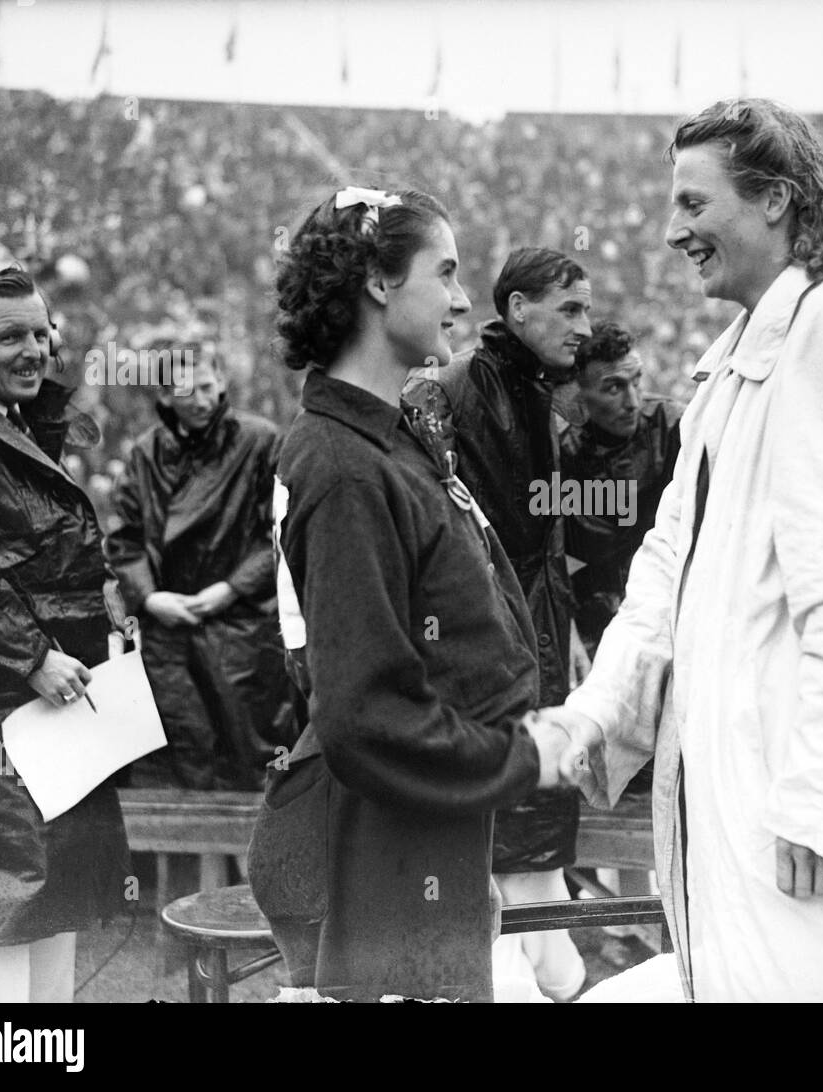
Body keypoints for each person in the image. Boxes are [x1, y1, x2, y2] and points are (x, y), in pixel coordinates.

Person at [546, 99, 823, 1002]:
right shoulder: (731, 371)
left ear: (775, 199)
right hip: (737, 793)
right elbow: (667, 566)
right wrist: (594, 711)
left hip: (805, 817)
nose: (672, 232)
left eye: (695, 205)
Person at [269, 186, 578, 1002]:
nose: (464, 298)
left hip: (425, 830)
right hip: (383, 847)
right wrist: (523, 757)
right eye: (445, 272)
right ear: (378, 280)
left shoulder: (385, 435)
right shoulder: (344, 465)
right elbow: (367, 715)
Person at [0, 266, 130, 1002]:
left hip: (43, 722)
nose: (35, 350)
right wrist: (34, 653)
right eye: (9, 335)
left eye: (42, 334)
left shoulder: (22, 426)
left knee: (50, 924)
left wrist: (104, 611)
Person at [403, 246, 592, 1001]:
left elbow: (539, 539)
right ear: (518, 309)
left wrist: (565, 627)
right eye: (570, 309)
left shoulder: (523, 383)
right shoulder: (478, 388)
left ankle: (553, 973)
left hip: (532, 635)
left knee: (529, 847)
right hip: (497, 653)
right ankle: (555, 979)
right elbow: (486, 550)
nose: (585, 325)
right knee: (516, 848)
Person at [105, 338, 295, 791]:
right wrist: (151, 598)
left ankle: (257, 863)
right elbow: (125, 538)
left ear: (222, 381)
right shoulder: (145, 454)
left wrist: (229, 589)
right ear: (166, 396)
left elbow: (281, 530)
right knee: (179, 756)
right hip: (167, 629)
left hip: (243, 627)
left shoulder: (260, 441)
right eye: (189, 392)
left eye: (209, 387)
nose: (203, 401)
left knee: (252, 755)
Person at [562, 319, 684, 659]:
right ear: (579, 394)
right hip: (594, 619)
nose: (632, 401)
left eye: (636, 381)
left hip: (670, 606)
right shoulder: (560, 456)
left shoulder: (674, 427)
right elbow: (549, 560)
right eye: (614, 388)